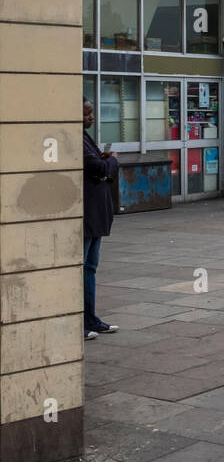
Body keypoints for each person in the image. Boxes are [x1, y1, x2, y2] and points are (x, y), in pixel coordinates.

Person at [82, 98, 119, 339]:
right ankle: (83, 321)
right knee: (83, 269)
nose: (91, 118)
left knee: (90, 268)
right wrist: (112, 160)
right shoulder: (77, 138)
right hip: (87, 216)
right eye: (86, 113)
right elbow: (97, 167)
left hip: (96, 216)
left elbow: (98, 166)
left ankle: (91, 319)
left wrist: (105, 162)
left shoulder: (85, 137)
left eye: (91, 113)